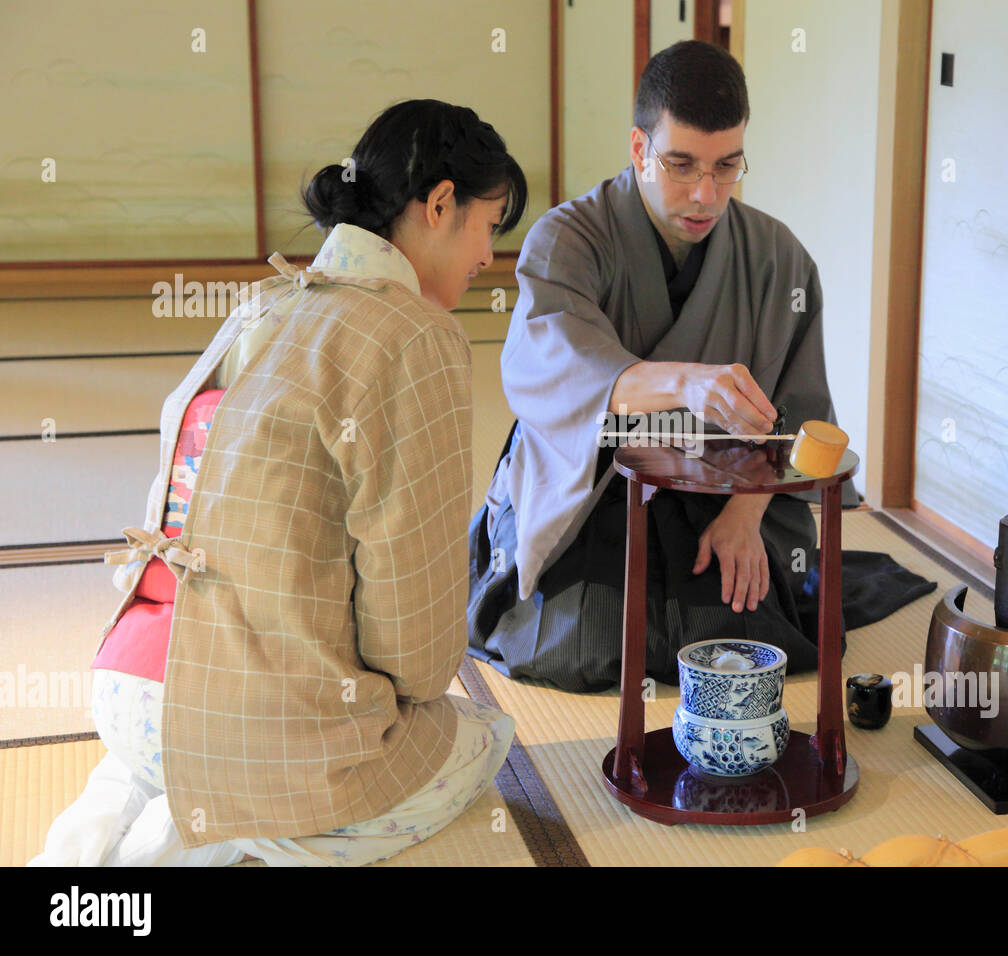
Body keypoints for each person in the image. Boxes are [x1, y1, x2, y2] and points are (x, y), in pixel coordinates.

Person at [30, 99, 527, 867]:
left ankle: (105, 840)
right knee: (484, 738)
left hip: (127, 687)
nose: (489, 257)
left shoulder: (263, 302)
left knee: (152, 756)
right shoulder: (414, 336)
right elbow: (418, 655)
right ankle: (216, 829)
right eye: (488, 225)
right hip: (247, 729)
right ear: (438, 205)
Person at [467, 42, 936, 693]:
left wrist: (747, 512)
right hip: (596, 485)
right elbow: (552, 369)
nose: (704, 193)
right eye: (680, 165)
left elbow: (804, 426)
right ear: (639, 149)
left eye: (727, 167)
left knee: (744, 643)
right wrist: (685, 381)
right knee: (582, 648)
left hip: (725, 492)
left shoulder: (777, 258)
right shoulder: (568, 240)